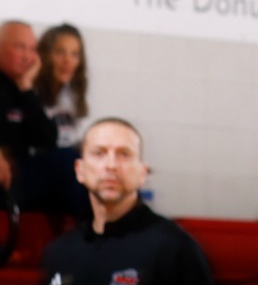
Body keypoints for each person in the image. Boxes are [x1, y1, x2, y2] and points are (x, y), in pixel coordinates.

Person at [39, 117, 215, 285]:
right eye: (99, 153)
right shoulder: (59, 253)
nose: (111, 165)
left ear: (142, 173)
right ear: (80, 170)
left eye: (124, 154)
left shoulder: (174, 248)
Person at [24, 24, 90, 221]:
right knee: (67, 158)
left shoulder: (73, 97)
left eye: (74, 54)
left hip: (65, 179)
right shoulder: (28, 89)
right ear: (44, 55)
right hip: (32, 173)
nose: (67, 61)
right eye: (60, 52)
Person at [0, 19, 55, 203]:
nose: (28, 57)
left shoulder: (24, 89)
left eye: (33, 50)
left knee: (67, 161)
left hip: (20, 174)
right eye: (20, 47)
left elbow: (47, 139)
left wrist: (26, 88)